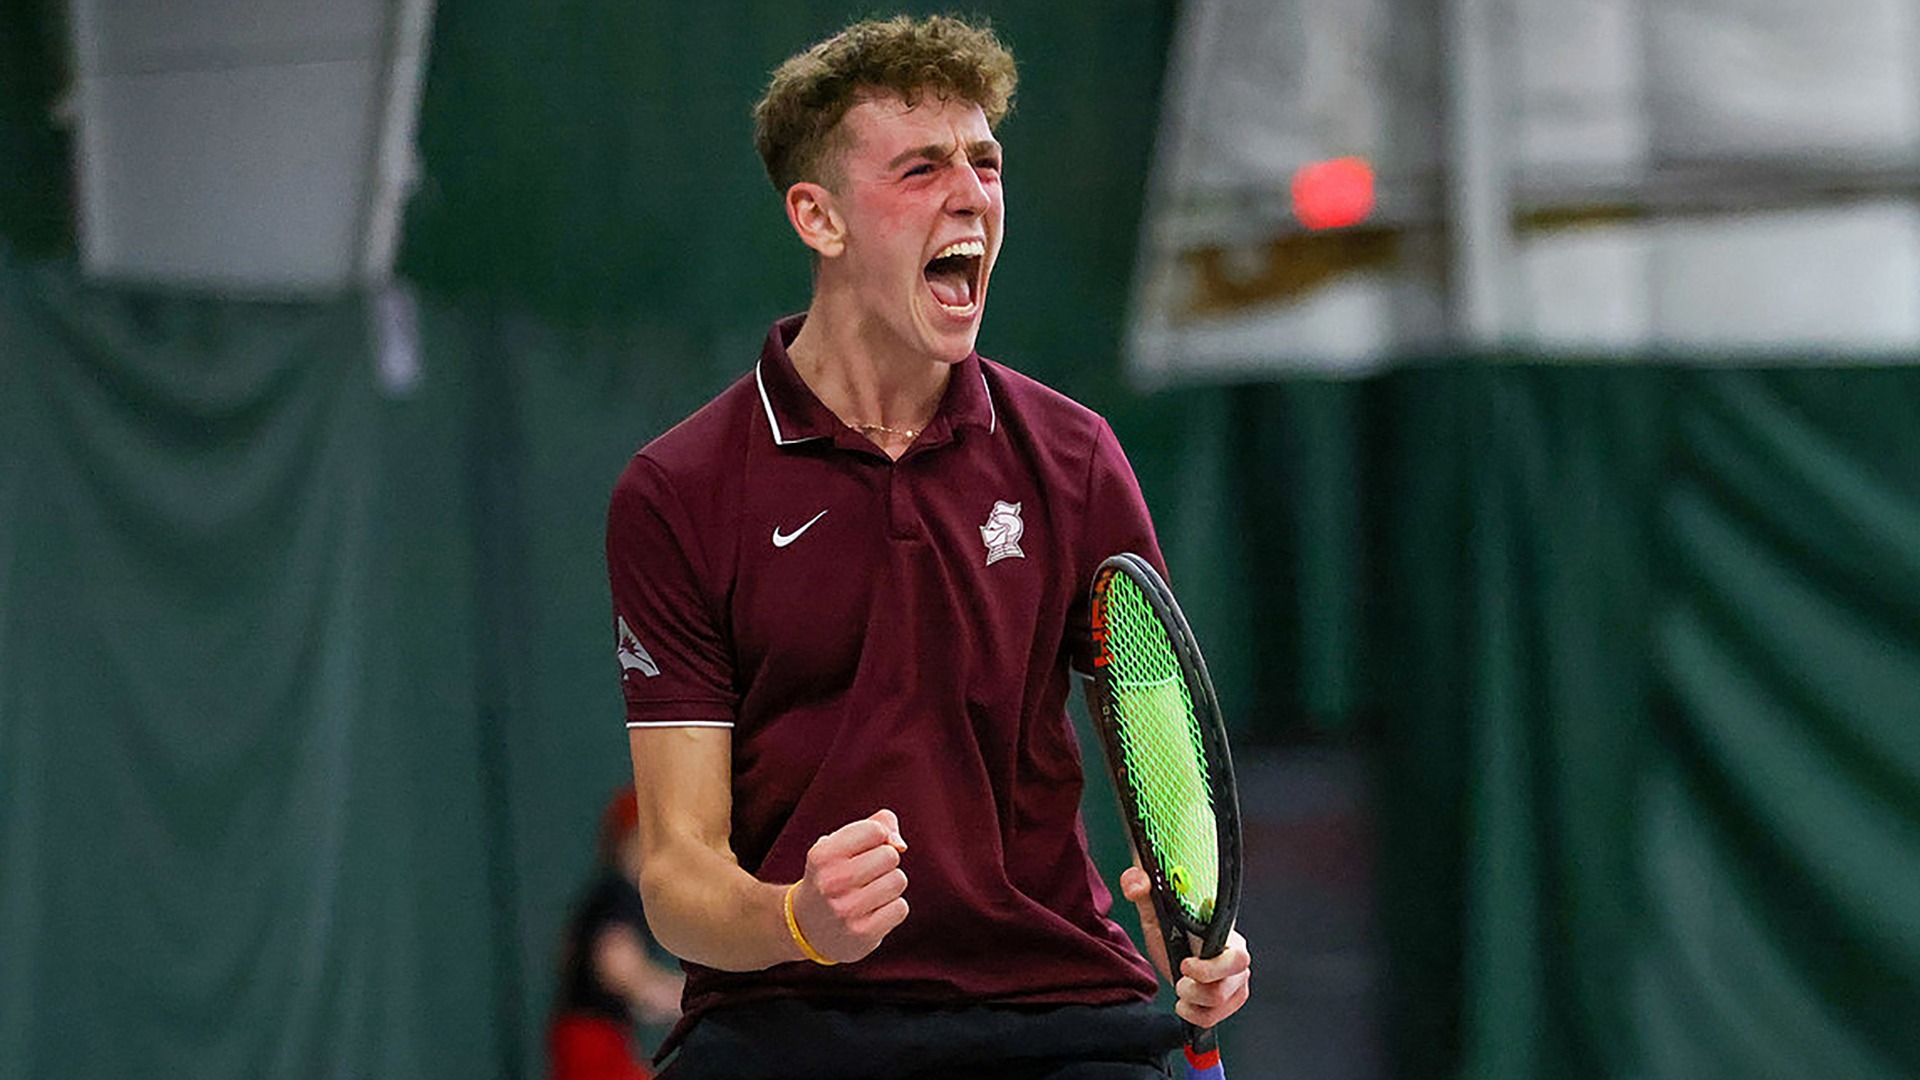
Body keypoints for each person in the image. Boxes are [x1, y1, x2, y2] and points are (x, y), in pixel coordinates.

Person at [605, 15, 1252, 1079]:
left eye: (985, 163)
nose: (974, 195)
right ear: (818, 217)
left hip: (1059, 1012)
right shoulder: (678, 493)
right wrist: (800, 918)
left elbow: (1162, 765)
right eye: (921, 169)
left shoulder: (1076, 460)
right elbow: (678, 874)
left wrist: (1200, 933)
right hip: (789, 1021)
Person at [546, 789, 686, 1080]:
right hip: (593, 1039)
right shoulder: (618, 892)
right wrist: (684, 997)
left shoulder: (606, 892)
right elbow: (617, 967)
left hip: (592, 1036)